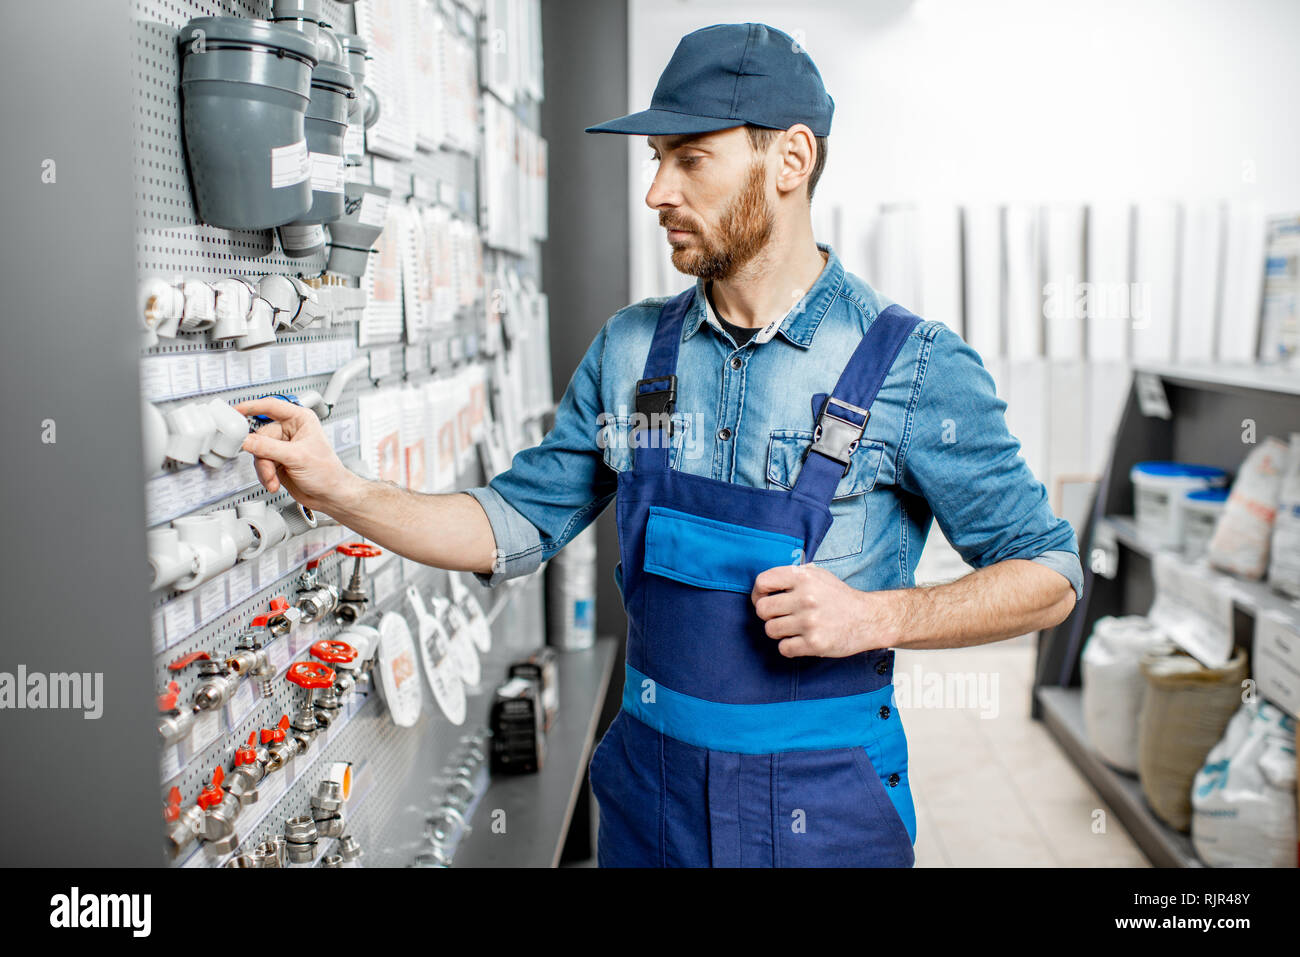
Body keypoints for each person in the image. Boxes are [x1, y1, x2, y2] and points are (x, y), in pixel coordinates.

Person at [237, 21, 1082, 868]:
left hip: (823, 808)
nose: (656, 193)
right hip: (650, 799)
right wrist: (338, 486)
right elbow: (508, 524)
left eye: (690, 158)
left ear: (790, 160)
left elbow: (1049, 576)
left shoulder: (912, 364)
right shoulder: (633, 351)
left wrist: (877, 615)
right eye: (656, 161)